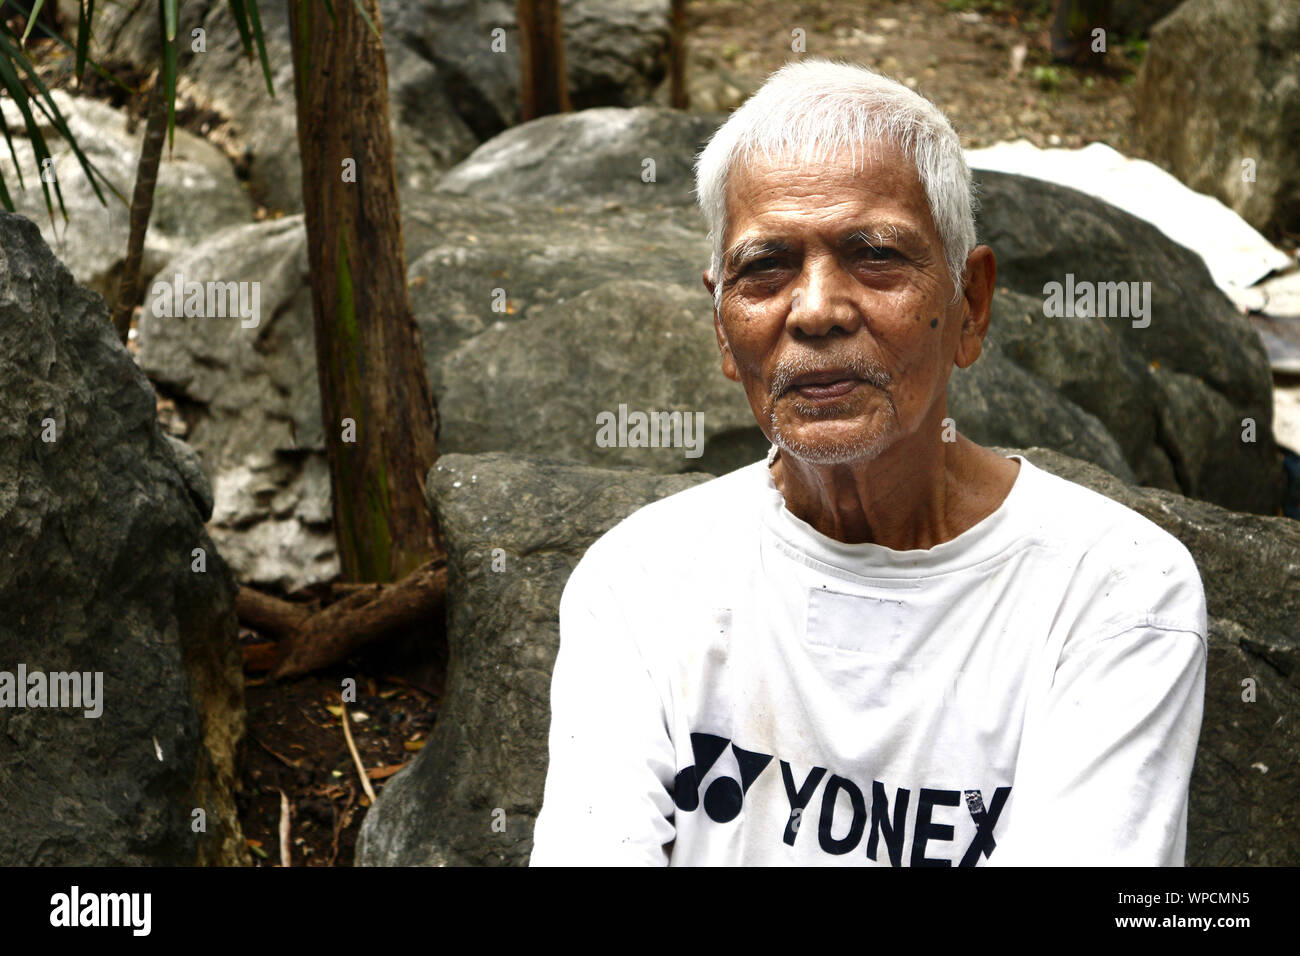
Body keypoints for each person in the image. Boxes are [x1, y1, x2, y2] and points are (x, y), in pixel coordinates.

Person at [529, 59, 1207, 866]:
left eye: (875, 254)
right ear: (720, 326)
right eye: (765, 268)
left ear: (971, 305)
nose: (815, 310)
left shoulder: (1114, 590)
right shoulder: (638, 581)